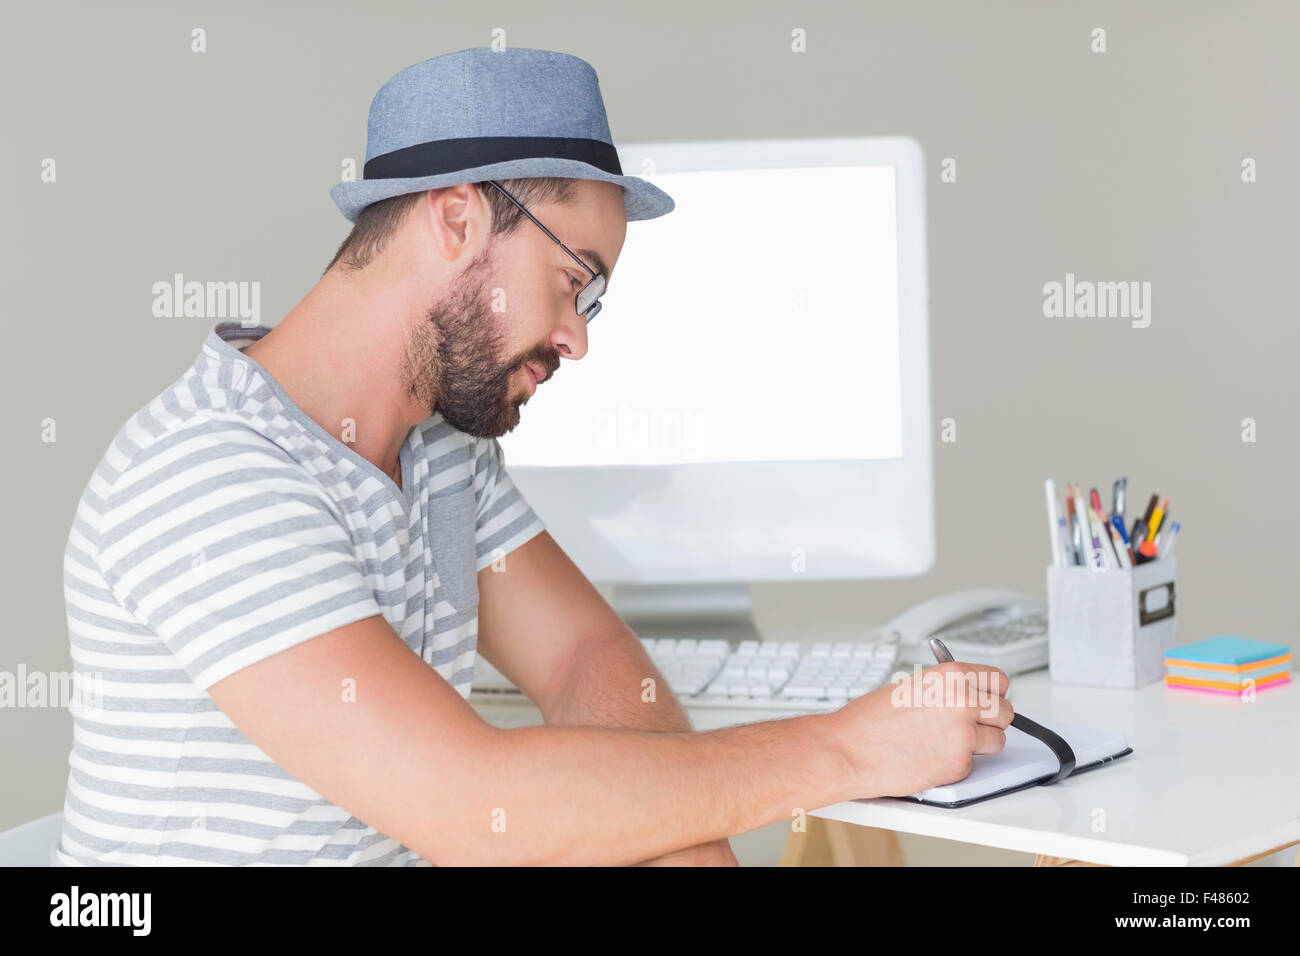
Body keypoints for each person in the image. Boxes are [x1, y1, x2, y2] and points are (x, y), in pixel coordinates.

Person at [56, 46, 1009, 867]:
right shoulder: (212, 473)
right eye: (571, 281)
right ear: (459, 216)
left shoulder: (438, 453)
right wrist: (847, 751)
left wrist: (677, 843)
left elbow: (589, 660)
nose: (579, 338)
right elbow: (470, 808)